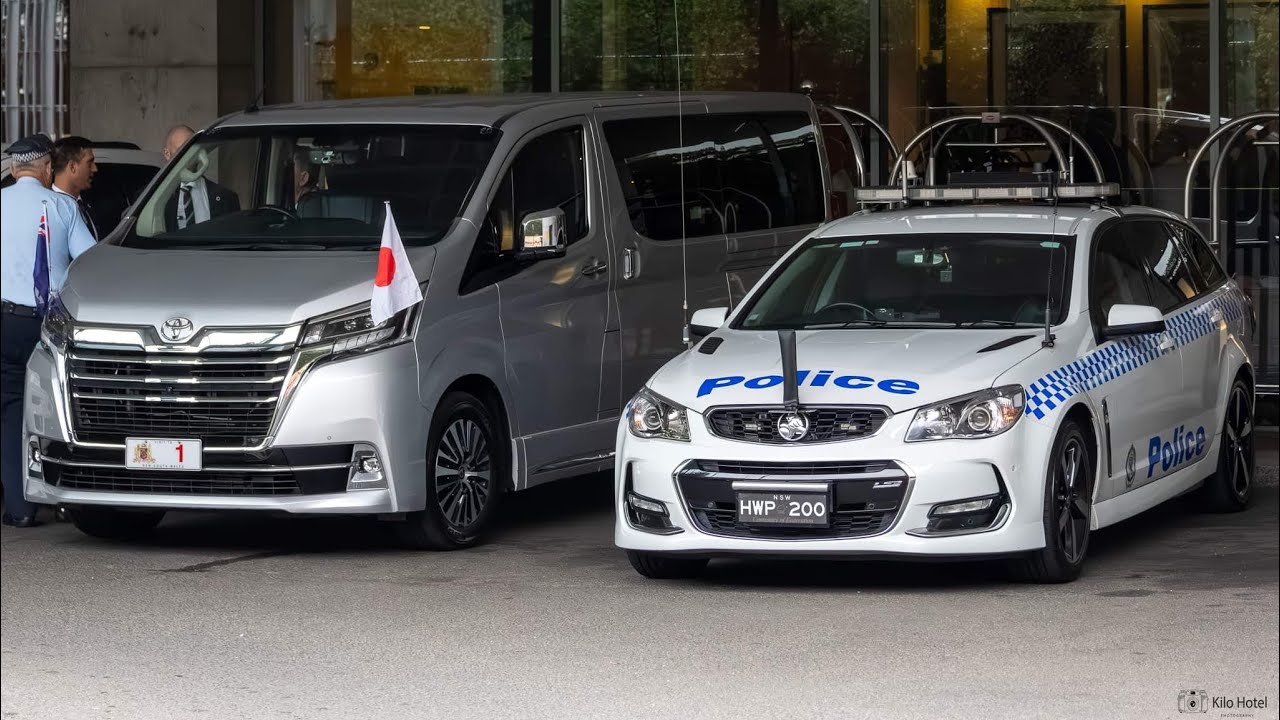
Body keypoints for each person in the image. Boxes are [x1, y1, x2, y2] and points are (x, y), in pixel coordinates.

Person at [1, 134, 96, 528]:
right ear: (45, 169)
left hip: (2, 321)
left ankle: (19, 509)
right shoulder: (61, 207)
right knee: (52, 408)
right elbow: (91, 262)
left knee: (9, 409)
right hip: (46, 325)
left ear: (11, 169)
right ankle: (60, 497)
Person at [160, 124, 240, 229]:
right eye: (182, 150)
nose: (189, 155)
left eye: (192, 148)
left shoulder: (227, 198)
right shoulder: (151, 200)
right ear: (167, 154)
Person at [51, 135, 100, 241]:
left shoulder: (86, 204)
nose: (95, 168)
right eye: (89, 163)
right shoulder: (52, 210)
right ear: (72, 167)